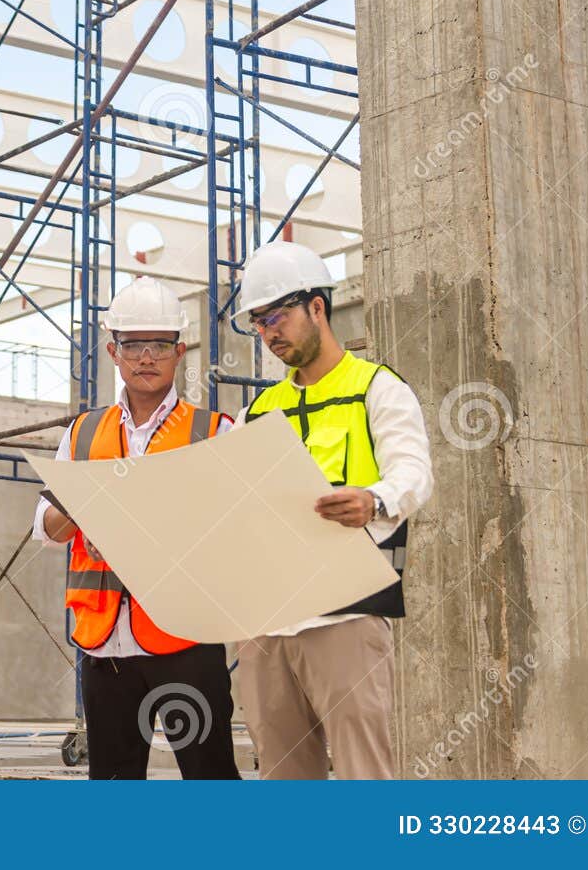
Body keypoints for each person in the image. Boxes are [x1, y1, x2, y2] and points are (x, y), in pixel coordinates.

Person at [232, 242, 433, 779]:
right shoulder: (257, 411)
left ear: (317, 307)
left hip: (346, 613)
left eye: (277, 316)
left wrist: (373, 500)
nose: (269, 332)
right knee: (283, 776)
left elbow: (414, 474)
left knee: (363, 773)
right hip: (268, 622)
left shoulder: (377, 388)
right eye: (258, 322)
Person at [33, 276, 240, 780]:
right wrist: (85, 504)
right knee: (113, 780)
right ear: (113, 350)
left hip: (185, 639)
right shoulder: (82, 433)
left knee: (210, 776)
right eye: (134, 345)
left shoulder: (215, 431)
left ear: (179, 351)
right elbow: (45, 528)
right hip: (105, 646)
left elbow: (238, 530)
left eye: (159, 346)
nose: (146, 357)